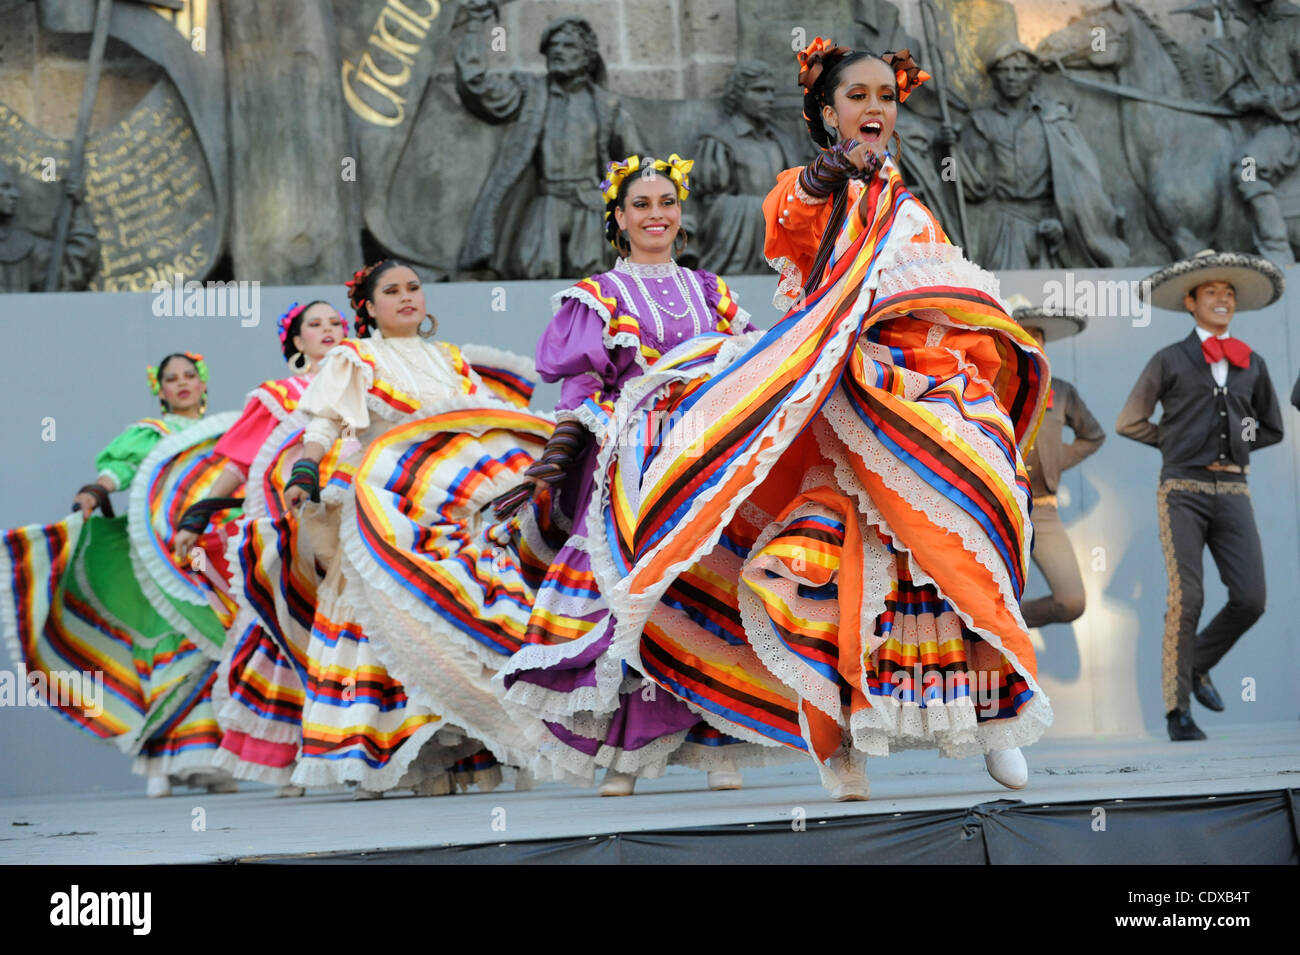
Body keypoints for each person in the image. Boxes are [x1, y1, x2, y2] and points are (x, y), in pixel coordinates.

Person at [582, 39, 1053, 800]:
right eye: (856, 96)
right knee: (816, 573)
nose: (874, 108)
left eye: (885, 97)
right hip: (844, 404)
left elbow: (945, 303)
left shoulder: (911, 202)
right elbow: (793, 214)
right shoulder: (817, 191)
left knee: (958, 559)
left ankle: (998, 722)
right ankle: (837, 743)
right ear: (827, 112)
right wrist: (831, 173)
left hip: (929, 399)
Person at [498, 154, 783, 796]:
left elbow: (758, 358)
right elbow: (581, 385)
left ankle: (718, 744)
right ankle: (624, 754)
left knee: (709, 591)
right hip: (631, 462)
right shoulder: (598, 295)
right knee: (631, 600)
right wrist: (561, 452)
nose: (656, 215)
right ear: (619, 220)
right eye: (641, 206)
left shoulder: (712, 291)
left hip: (705, 461)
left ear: (679, 215)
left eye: (666, 203)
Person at [282, 260, 548, 798]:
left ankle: (463, 744)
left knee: (457, 614)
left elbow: (484, 420)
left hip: (450, 515)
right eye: (391, 291)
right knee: (386, 622)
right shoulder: (353, 357)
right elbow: (324, 422)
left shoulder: (450, 359)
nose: (406, 298)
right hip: (386, 507)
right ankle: (404, 752)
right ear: (368, 307)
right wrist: (306, 468)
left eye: (413, 288)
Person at [1, 353, 239, 796]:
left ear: (203, 384)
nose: (182, 384)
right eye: (171, 379)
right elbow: (120, 472)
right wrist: (96, 489)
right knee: (175, 648)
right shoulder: (152, 435)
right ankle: (159, 765)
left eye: (189, 376)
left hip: (209, 559)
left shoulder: (228, 432)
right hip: (160, 561)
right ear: (160, 389)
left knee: (215, 651)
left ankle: (207, 761)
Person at [170, 302, 345, 795]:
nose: (328, 330)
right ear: (295, 340)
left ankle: (369, 756)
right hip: (286, 536)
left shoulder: (364, 385)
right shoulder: (278, 397)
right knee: (283, 638)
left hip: (354, 526)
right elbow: (237, 461)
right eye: (316, 325)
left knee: (352, 637)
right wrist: (198, 513)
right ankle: (291, 761)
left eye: (336, 323)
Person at [1116, 249, 1285, 740]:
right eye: (1211, 292)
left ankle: (1197, 662)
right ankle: (1178, 712)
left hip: (1234, 488)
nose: (1222, 299)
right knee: (1187, 595)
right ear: (1191, 302)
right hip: (1182, 490)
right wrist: (1175, 441)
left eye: (1228, 293)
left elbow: (1269, 427)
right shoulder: (1169, 358)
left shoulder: (1252, 362)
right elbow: (1130, 421)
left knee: (1252, 598)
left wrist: (1238, 438)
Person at [453, 8, 646, 279]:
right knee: (532, 272)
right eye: (553, 46)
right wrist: (474, 25)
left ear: (588, 56)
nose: (558, 51)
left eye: (568, 45)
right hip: (546, 203)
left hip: (590, 204)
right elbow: (476, 85)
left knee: (593, 276)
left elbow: (638, 164)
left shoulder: (608, 107)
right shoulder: (528, 93)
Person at [939, 43, 1128, 270]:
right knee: (1003, 297)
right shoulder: (981, 122)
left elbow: (1080, 182)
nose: (1011, 77)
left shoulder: (1054, 119)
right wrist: (947, 154)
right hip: (1006, 229)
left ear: (1033, 76)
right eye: (1004, 71)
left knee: (1059, 300)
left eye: (1020, 70)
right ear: (994, 77)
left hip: (1052, 227)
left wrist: (1062, 224)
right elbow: (969, 187)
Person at [1006, 296, 1105, 629]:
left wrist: (1057, 459)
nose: (1034, 343)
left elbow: (1093, 436)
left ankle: (1002, 622)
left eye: (1040, 337)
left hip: (1043, 511)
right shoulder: (989, 386)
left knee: (1072, 601)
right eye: (1026, 334)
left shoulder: (1061, 392)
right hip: (997, 508)